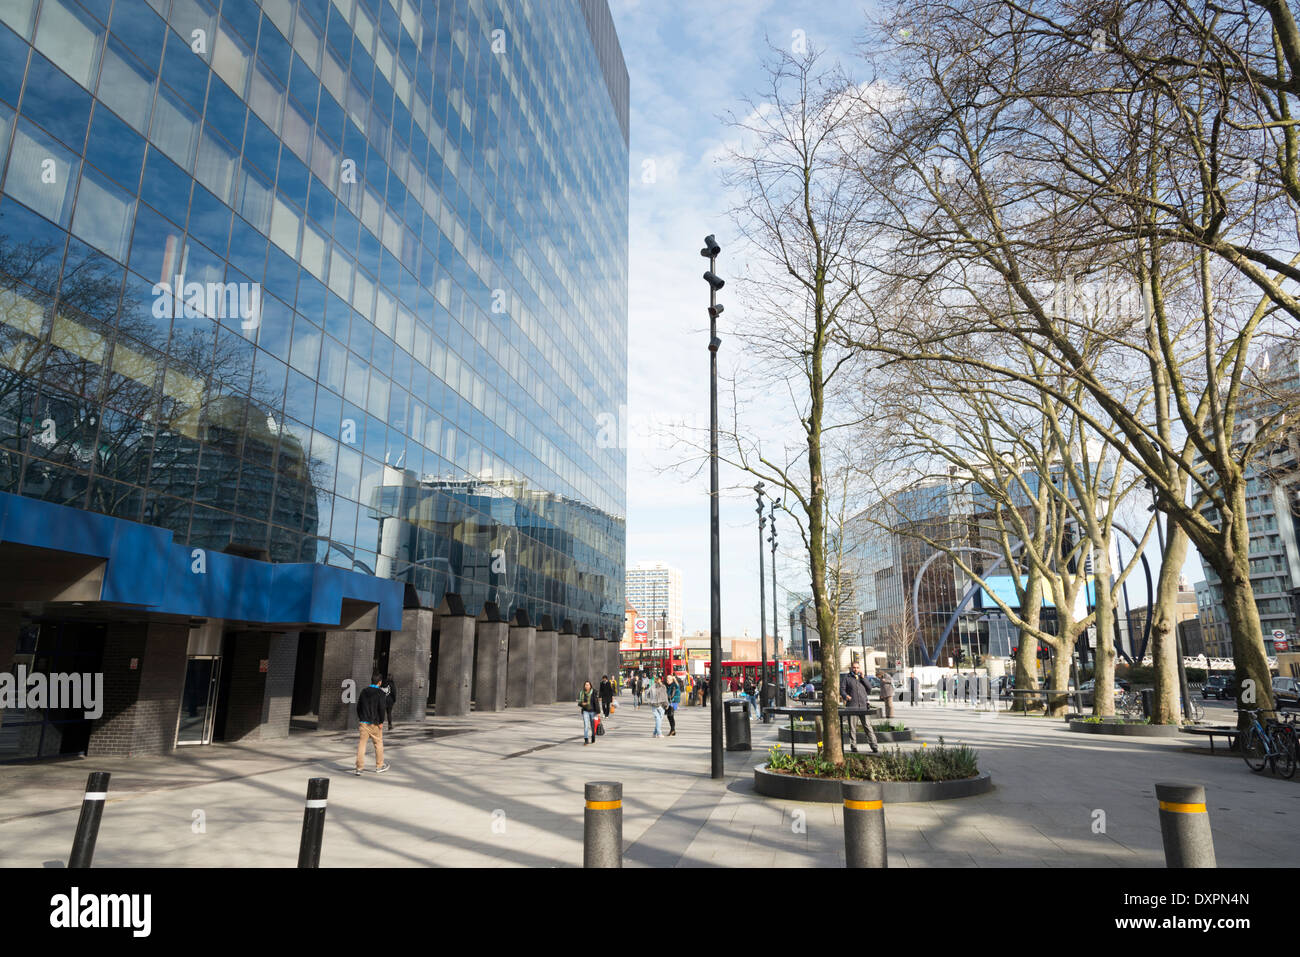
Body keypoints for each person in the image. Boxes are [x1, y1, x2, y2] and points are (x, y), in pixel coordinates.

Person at [839, 662, 880, 753]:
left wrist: (863, 677)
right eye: (854, 668)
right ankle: (853, 746)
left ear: (860, 668)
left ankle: (874, 746)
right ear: (851, 668)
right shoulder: (847, 678)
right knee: (852, 728)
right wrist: (846, 696)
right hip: (852, 706)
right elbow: (842, 689)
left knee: (868, 727)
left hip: (863, 706)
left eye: (857, 667)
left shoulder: (863, 678)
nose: (856, 669)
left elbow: (869, 688)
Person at [355, 672, 391, 775]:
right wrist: (381, 721)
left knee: (362, 745)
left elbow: (358, 707)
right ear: (379, 682)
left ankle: (359, 768)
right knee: (378, 744)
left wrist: (361, 718)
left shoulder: (364, 691)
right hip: (375, 723)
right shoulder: (380, 693)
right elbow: (382, 708)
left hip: (364, 722)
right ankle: (379, 766)